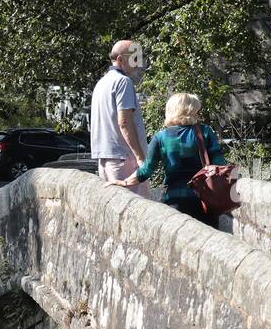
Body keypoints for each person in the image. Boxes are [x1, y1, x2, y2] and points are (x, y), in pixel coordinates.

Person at [110, 92, 227, 228]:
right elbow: (220, 164)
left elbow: (147, 169)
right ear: (191, 110)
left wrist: (124, 182)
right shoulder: (205, 132)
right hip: (204, 201)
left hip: (174, 201)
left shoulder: (161, 137)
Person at [91, 39, 150, 198]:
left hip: (105, 159)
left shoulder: (101, 83)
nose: (138, 63)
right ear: (121, 59)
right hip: (125, 159)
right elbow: (124, 122)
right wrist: (140, 158)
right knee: (138, 212)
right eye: (135, 58)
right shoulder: (123, 82)